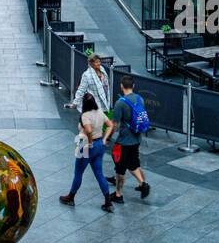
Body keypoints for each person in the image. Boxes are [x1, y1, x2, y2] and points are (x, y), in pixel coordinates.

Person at [60, 93, 114, 212]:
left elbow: (88, 130)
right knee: (99, 174)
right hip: (100, 145)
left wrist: (89, 142)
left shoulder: (85, 115)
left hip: (86, 147)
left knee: (78, 173)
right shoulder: (99, 111)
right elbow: (110, 125)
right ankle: (108, 202)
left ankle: (71, 197)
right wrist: (105, 139)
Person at [104, 74, 151, 202]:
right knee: (133, 163)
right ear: (133, 86)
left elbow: (114, 124)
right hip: (136, 139)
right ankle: (143, 184)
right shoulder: (140, 99)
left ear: (121, 86)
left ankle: (118, 195)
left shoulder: (120, 103)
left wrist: (106, 138)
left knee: (120, 169)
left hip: (123, 142)